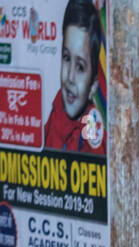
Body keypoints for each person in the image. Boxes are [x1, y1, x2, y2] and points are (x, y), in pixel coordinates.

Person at [43, 0, 107, 155]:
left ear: (93, 84)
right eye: (66, 58)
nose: (70, 77)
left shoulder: (93, 131)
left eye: (80, 67)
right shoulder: (58, 109)